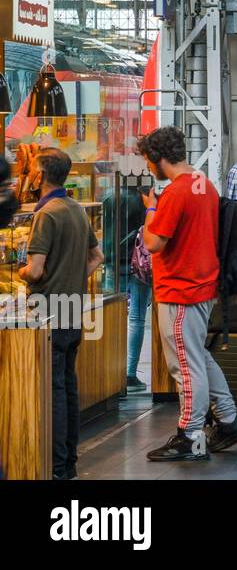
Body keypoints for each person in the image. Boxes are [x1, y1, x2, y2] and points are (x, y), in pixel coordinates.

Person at [137, 126, 237, 462]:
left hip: (180, 290)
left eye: (148, 161)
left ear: (159, 159)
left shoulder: (175, 193)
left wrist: (150, 210)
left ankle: (190, 435)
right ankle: (230, 419)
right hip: (202, 285)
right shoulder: (204, 184)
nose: (148, 168)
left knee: (185, 367)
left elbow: (154, 242)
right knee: (199, 358)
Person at [18, 149, 104, 479]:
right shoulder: (76, 209)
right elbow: (97, 257)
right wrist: (72, 276)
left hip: (47, 312)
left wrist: (24, 271)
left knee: (54, 389)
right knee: (68, 386)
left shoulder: (47, 214)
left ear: (40, 176)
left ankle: (56, 467)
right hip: (72, 309)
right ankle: (68, 463)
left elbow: (36, 271)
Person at [102, 182, 150, 393]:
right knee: (136, 318)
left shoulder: (108, 195)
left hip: (113, 260)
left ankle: (110, 373)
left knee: (112, 315)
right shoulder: (143, 199)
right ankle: (129, 373)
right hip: (138, 263)